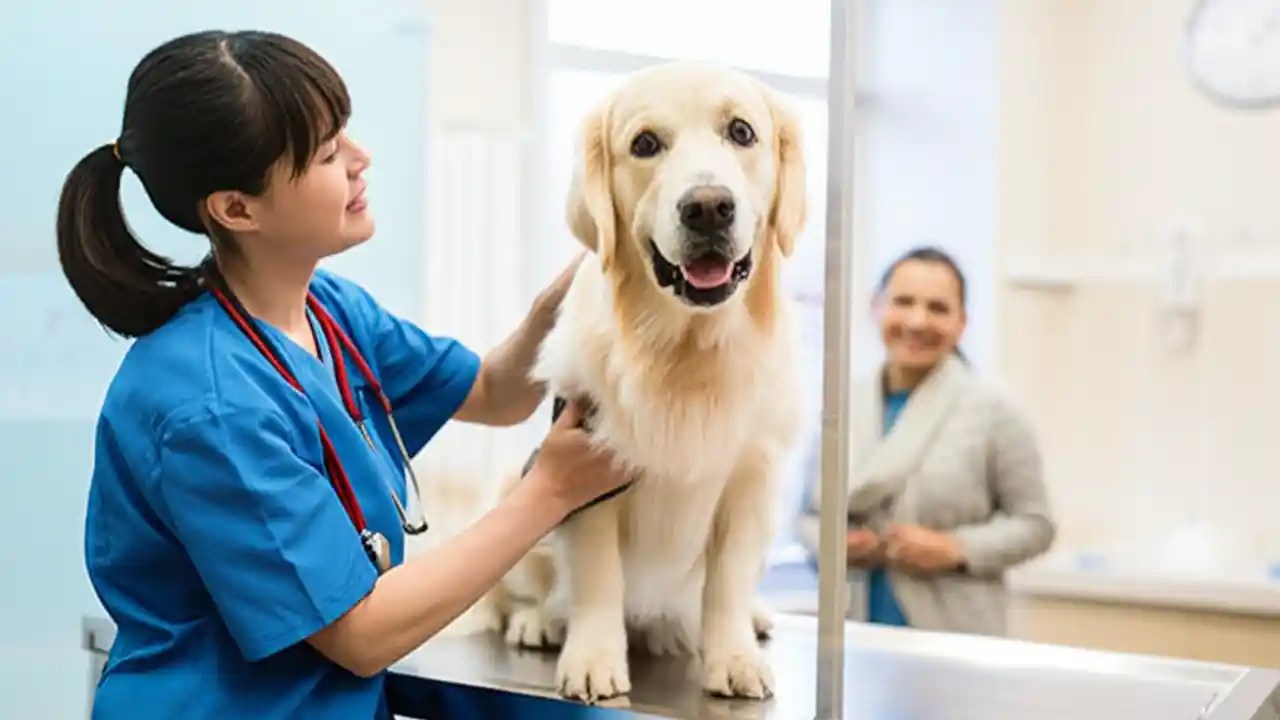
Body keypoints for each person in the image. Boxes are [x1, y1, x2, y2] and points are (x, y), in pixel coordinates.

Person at [57, 30, 629, 720]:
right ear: (237, 207)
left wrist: (563, 304)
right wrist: (552, 490)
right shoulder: (207, 404)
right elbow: (362, 635)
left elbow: (493, 394)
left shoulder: (330, 312)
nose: (362, 160)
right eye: (328, 153)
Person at [795, 246, 1055, 636]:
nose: (918, 321)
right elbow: (808, 516)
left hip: (958, 639)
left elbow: (1036, 524)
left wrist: (955, 548)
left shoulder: (994, 411)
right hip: (856, 639)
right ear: (876, 308)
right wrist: (837, 546)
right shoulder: (841, 407)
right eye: (903, 302)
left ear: (962, 322)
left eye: (937, 308)